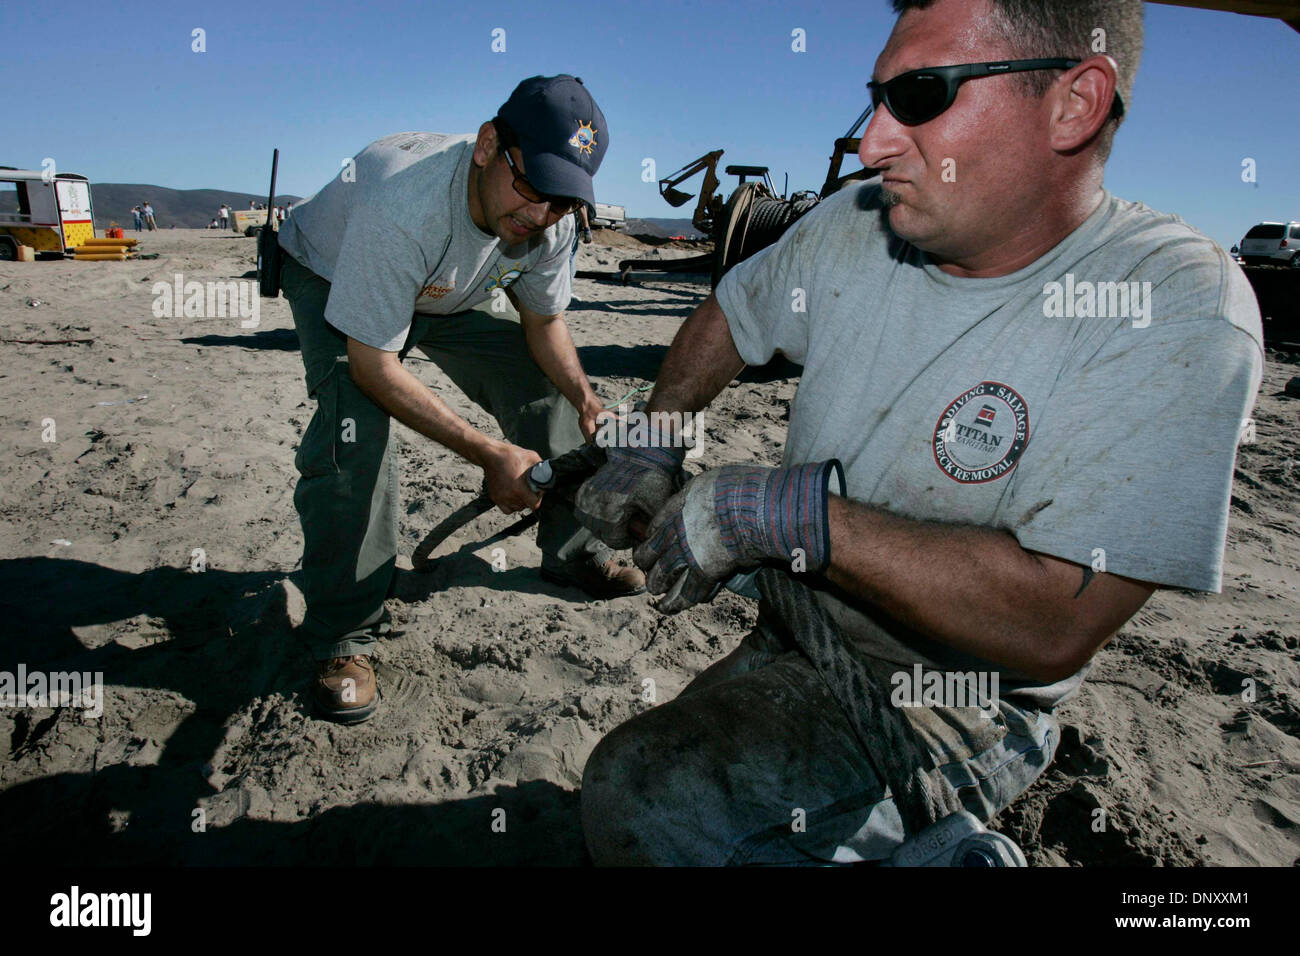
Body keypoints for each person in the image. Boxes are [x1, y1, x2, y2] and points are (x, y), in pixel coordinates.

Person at [575, 0, 1263, 865]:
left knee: (641, 798)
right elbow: (730, 314)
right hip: (803, 626)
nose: (871, 143)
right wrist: (654, 440)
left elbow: (1054, 621)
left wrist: (790, 519)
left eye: (922, 93)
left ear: (1075, 103)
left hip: (955, 693)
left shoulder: (1170, 305)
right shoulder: (855, 221)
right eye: (877, 99)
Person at [278, 74, 643, 724]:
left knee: (544, 391)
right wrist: (486, 452)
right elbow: (374, 367)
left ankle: (570, 553)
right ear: (487, 146)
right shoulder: (402, 203)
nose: (540, 215)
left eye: (562, 201)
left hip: (444, 289)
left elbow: (544, 323)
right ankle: (343, 633)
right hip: (333, 268)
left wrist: (587, 400)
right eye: (531, 187)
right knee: (355, 435)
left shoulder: (549, 219)